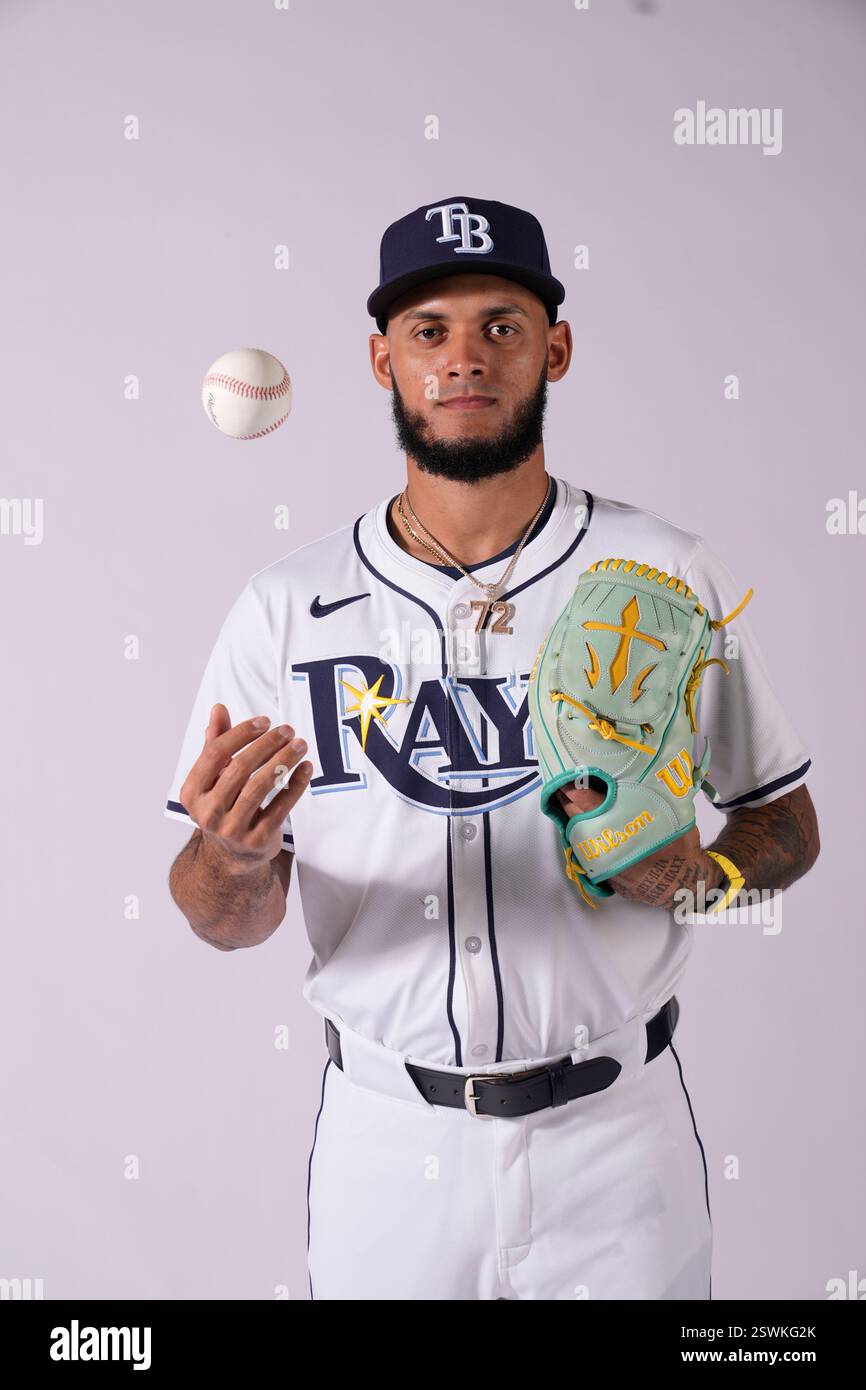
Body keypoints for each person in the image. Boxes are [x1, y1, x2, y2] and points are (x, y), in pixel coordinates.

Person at [165, 196, 819, 1300]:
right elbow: (216, 914)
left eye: (500, 326)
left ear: (553, 348)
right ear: (383, 360)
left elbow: (783, 822)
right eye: (428, 331)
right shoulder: (282, 606)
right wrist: (227, 861)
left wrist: (702, 875)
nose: (463, 357)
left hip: (619, 1140)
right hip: (387, 1147)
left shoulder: (657, 573)